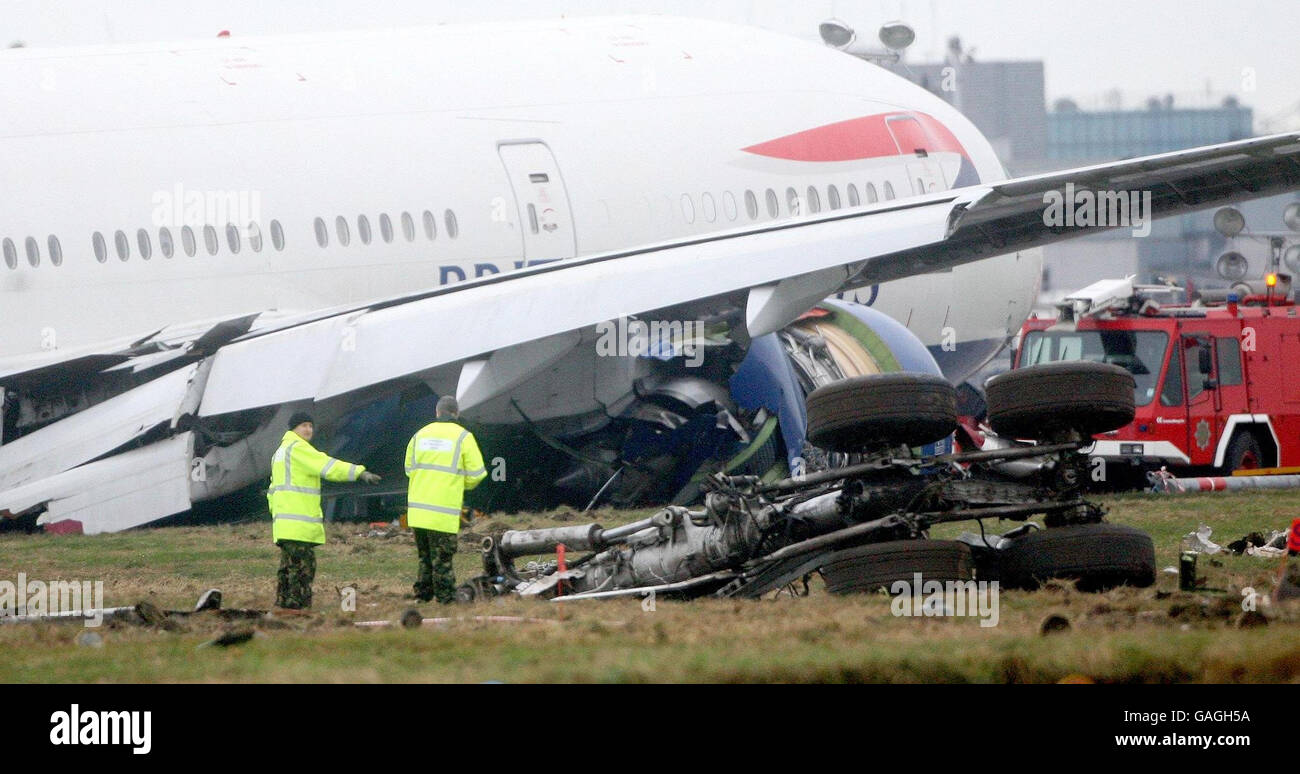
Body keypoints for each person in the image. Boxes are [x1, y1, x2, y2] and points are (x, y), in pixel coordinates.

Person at [268, 411, 380, 613]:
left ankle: (282, 606)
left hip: (285, 524)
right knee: (303, 568)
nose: (309, 429)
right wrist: (359, 472)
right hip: (298, 524)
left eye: (310, 426)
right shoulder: (298, 449)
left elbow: (273, 490)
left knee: (287, 568)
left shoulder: (281, 452)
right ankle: (297, 609)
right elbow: (327, 466)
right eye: (303, 426)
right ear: (294, 429)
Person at [404, 396, 487, 603]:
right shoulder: (463, 437)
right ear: (456, 413)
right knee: (442, 559)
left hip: (418, 512)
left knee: (424, 557)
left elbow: (408, 470)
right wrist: (459, 485)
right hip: (443, 512)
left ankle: (422, 596)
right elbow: (477, 474)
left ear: (437, 412)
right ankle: (446, 598)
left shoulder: (419, 435)